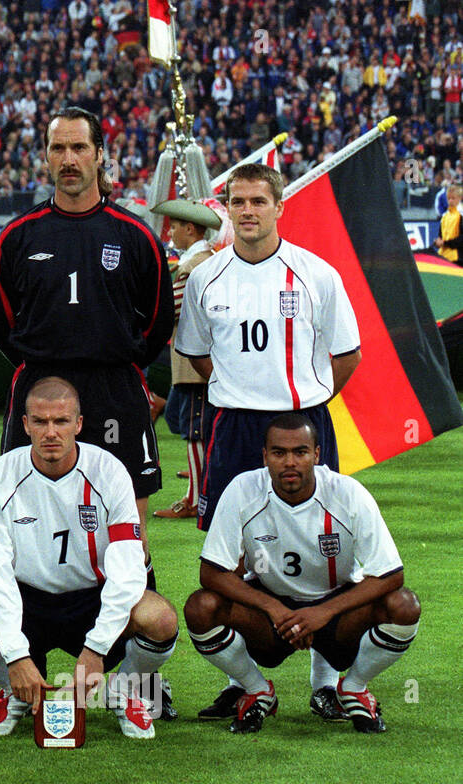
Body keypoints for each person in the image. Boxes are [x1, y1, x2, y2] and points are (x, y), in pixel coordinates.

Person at [174, 163, 362, 715]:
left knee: (325, 543)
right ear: (226, 209)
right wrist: (238, 387)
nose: (249, 210)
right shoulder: (208, 277)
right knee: (230, 553)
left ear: (280, 207)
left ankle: (325, 680)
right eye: (238, 202)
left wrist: (310, 399)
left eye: (259, 200)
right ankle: (249, 682)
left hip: (302, 419)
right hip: (233, 425)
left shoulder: (316, 274)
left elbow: (347, 352)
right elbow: (196, 351)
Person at [0, 106, 174, 593]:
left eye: (78, 148)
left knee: (129, 522)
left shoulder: (136, 237)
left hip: (114, 387)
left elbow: (156, 327)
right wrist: (47, 367)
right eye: (58, 148)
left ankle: (141, 654)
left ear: (100, 156)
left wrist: (114, 355)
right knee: (26, 513)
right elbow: (5, 325)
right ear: (46, 158)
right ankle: (30, 650)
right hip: (40, 387)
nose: (68, 159)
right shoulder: (16, 236)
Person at [0, 378, 179, 740]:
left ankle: (123, 688)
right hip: (27, 598)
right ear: (24, 425)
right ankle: (16, 690)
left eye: (61, 421)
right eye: (39, 422)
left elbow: (130, 569)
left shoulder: (110, 472)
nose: (50, 432)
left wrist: (96, 648)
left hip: (91, 597)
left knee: (159, 618)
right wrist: (16, 656)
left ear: (79, 424)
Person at [184, 414, 419, 733]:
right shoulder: (243, 489)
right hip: (271, 616)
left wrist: (322, 612)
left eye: (300, 452)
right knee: (201, 606)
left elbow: (391, 575)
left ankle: (354, 689)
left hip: (337, 613)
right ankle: (256, 690)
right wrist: (276, 609)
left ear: (317, 455)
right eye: (279, 453)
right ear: (265, 456)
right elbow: (211, 573)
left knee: (404, 605)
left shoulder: (347, 493)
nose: (290, 462)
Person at [149, 197, 221, 520]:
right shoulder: (209, 260)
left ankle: (194, 499)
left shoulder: (193, 266)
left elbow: (171, 310)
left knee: (195, 431)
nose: (171, 232)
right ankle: (202, 492)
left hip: (194, 364)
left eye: (175, 226)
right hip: (205, 361)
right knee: (198, 428)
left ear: (190, 229)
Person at [435, 183, 460, 263]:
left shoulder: (461, 214)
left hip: (457, 257)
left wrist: (444, 243)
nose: (450, 201)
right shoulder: (445, 216)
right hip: (444, 256)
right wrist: (438, 241)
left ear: (459, 198)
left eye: (453, 198)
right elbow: (441, 235)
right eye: (448, 198)